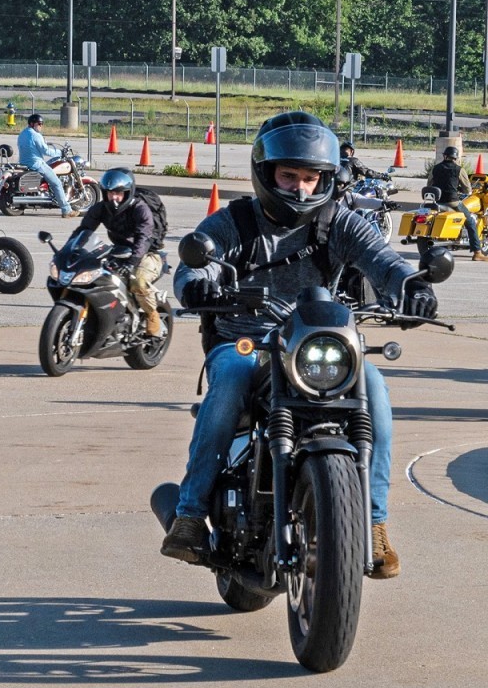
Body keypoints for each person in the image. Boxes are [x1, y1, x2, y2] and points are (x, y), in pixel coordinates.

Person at [161, 111, 439, 580]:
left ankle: (371, 522)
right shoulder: (236, 222)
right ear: (266, 173)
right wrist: (197, 284)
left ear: (326, 179)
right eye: (289, 175)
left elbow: (386, 261)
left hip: (318, 343)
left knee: (375, 392)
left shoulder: (341, 223)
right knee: (228, 382)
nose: (301, 188)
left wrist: (414, 287)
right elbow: (196, 259)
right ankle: (189, 515)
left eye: (312, 178)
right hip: (246, 341)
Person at [74, 168, 165, 336]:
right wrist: (71, 250)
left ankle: (152, 314)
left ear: (127, 192)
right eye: (110, 193)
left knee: (138, 281)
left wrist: (132, 262)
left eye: (118, 193)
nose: (114, 197)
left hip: (147, 254)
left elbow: (143, 238)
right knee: (93, 275)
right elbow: (84, 229)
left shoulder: (140, 209)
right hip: (119, 251)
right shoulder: (101, 208)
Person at [426, 145, 487, 261]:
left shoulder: (435, 168)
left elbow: (429, 185)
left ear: (445, 156)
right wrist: (461, 191)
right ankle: (477, 253)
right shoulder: (459, 169)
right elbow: (468, 190)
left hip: (437, 202)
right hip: (453, 202)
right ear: (456, 158)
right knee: (470, 222)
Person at [17, 113, 76, 218]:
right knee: (57, 183)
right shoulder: (35, 135)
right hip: (36, 164)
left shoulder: (22, 133)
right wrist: (60, 153)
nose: (41, 126)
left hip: (23, 163)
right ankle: (66, 210)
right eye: (39, 123)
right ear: (32, 124)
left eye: (42, 123)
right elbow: (46, 151)